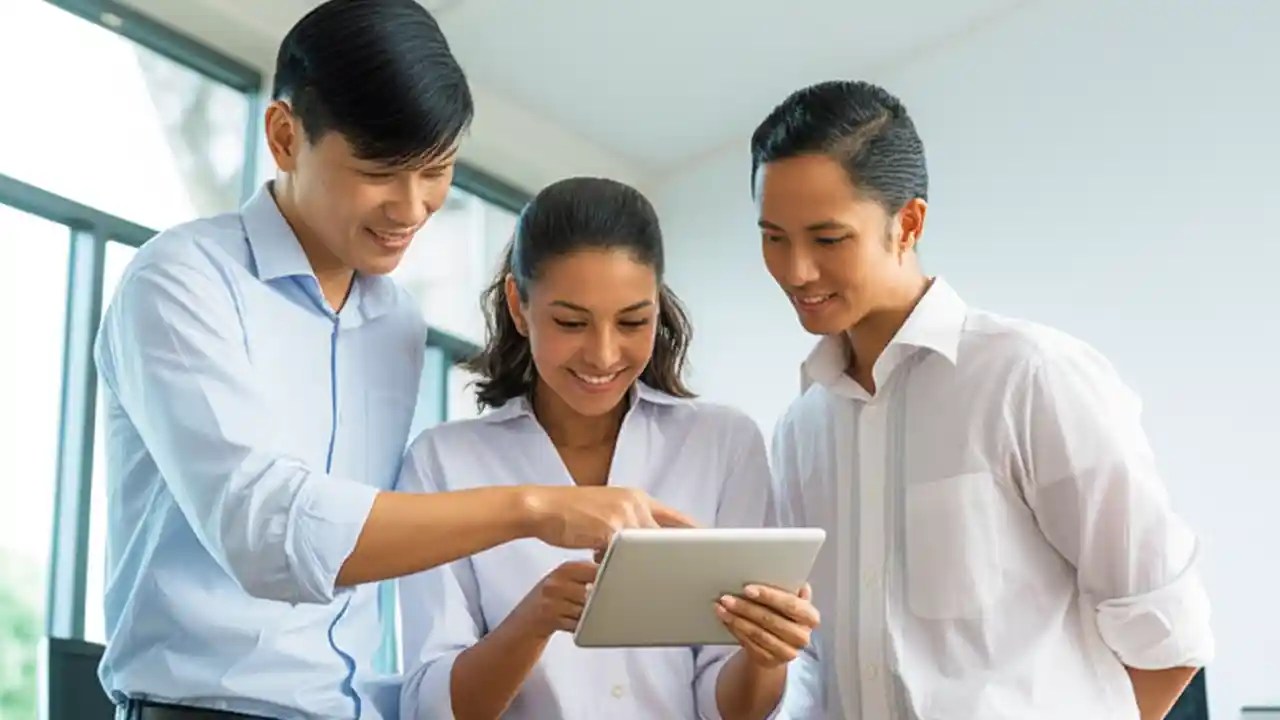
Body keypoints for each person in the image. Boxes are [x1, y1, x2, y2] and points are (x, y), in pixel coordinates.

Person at [94, 3, 690, 719]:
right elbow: (263, 531)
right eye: (380, 171)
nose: (412, 207)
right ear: (286, 137)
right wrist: (538, 508)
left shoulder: (395, 319)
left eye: (436, 170)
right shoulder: (183, 279)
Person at [753, 80, 1213, 719]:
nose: (796, 270)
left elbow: (1166, 632)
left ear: (907, 224)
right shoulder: (800, 429)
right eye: (774, 237)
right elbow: (814, 660)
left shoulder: (1030, 376)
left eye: (827, 239)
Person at [396, 177, 820, 720]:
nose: (602, 355)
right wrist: (538, 617)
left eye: (633, 321)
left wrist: (766, 657)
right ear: (519, 306)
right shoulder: (444, 464)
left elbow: (733, 709)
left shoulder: (722, 445)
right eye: (570, 322)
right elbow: (430, 708)